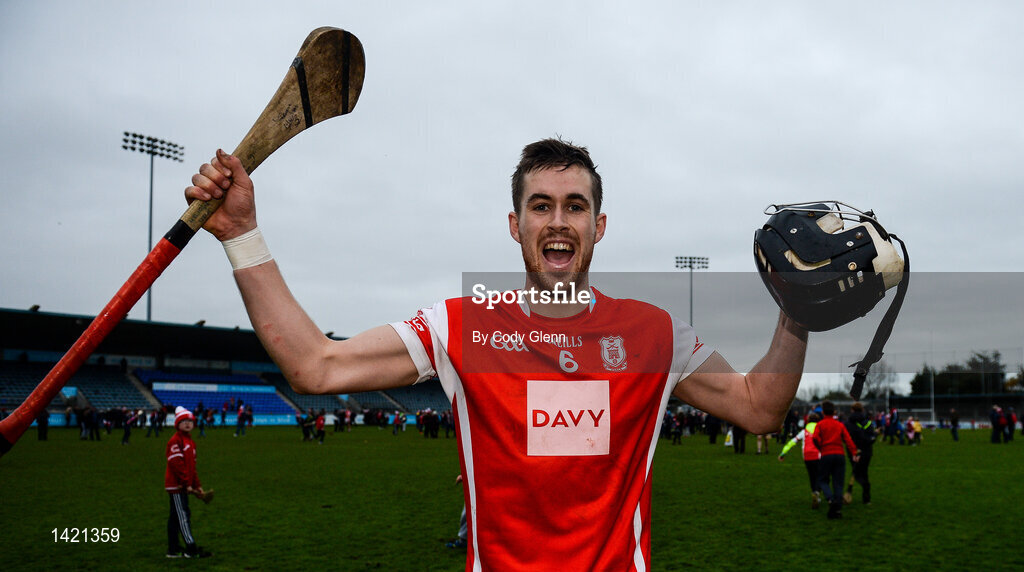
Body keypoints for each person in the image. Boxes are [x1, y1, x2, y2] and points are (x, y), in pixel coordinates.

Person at [185, 137, 809, 570]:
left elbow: (759, 407)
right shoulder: (461, 327)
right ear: (515, 225)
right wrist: (242, 235)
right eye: (541, 206)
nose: (558, 221)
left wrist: (798, 311)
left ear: (600, 225)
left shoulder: (654, 334)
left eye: (575, 206)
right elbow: (315, 364)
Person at [165, 407, 211, 558]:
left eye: (190, 421)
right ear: (177, 424)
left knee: (175, 517)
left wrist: (197, 486)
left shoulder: (191, 442)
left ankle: (173, 549)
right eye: (183, 421)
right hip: (177, 487)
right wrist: (186, 484)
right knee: (183, 516)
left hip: (185, 485)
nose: (187, 424)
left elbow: (192, 468)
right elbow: (176, 464)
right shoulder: (175, 441)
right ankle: (191, 548)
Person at [812, 401, 859, 519]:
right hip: (839, 455)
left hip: (826, 455)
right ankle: (837, 509)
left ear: (822, 412)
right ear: (834, 412)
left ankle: (830, 499)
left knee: (822, 480)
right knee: (838, 483)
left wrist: (820, 448)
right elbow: (848, 440)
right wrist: (854, 452)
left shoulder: (820, 425)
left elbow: (815, 438)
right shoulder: (840, 425)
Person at [778, 412, 822, 509]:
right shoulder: (820, 430)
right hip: (818, 456)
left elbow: (792, 442)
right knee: (819, 475)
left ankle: (814, 493)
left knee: (812, 476)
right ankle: (817, 493)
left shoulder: (804, 431)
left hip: (807, 456)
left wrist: (783, 453)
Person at [844, 402, 875, 505]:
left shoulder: (847, 423)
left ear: (852, 410)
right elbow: (872, 438)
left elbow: (845, 438)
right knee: (863, 472)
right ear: (862, 410)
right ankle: (866, 498)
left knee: (857, 473)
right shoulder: (868, 423)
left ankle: (853, 490)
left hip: (853, 452)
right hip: (866, 452)